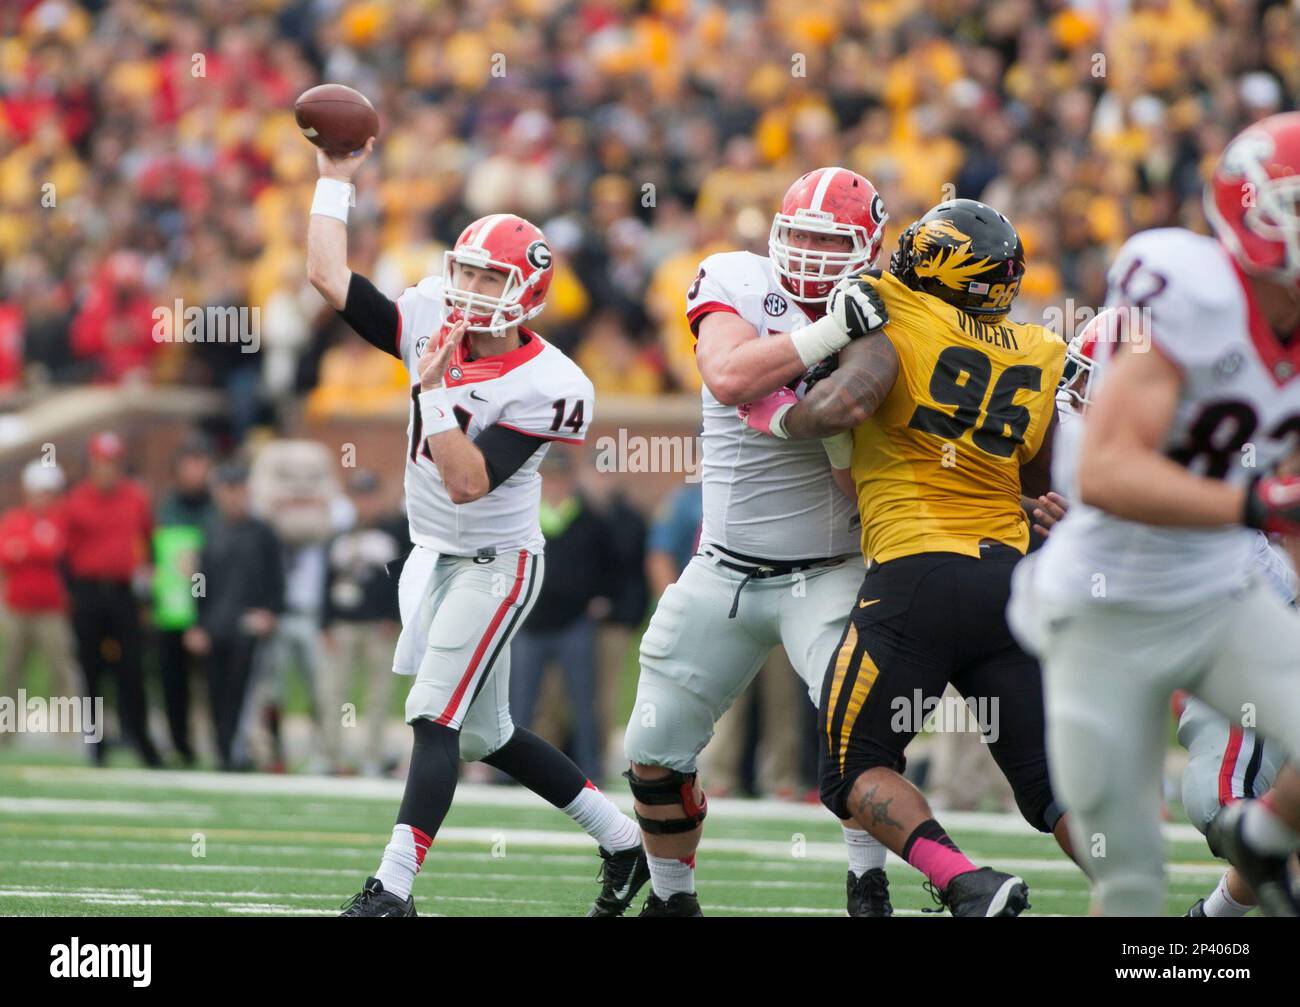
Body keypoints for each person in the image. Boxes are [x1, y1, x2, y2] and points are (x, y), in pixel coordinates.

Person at [306, 137, 648, 917]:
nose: (468, 289)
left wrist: (429, 391)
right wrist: (333, 182)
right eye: (464, 270)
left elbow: (467, 481)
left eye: (489, 277)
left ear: (528, 291)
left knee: (434, 714)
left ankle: (392, 889)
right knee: (488, 733)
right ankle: (623, 841)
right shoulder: (428, 310)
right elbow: (329, 278)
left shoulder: (553, 382)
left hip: (497, 561)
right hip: (434, 556)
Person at [744, 198, 1074, 916]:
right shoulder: (1041, 351)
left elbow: (846, 405)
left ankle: (964, 881)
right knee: (1050, 785)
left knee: (851, 767)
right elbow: (1037, 484)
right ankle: (1164, 898)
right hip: (1010, 581)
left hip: (918, 573)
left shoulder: (891, 309)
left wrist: (780, 414)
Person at [1008, 111, 1300, 916]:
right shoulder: (1188, 289)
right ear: (1252, 209)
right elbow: (1102, 471)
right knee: (1131, 880)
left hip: (1225, 589)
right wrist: (1257, 502)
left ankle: (1266, 841)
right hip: (1105, 603)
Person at [623, 167, 895, 917]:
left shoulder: (891, 318)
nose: (807, 252)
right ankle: (673, 899)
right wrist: (830, 334)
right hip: (724, 569)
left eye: (829, 240)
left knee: (857, 730)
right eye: (799, 233)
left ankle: (867, 881)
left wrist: (841, 417)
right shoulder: (739, 278)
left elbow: (859, 482)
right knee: (650, 748)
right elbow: (728, 374)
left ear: (867, 249)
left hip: (831, 568)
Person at [62, 431, 159, 767]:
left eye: (112, 463)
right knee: (91, 672)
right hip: (88, 593)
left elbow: (150, 543)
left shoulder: (135, 498)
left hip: (122, 593)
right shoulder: (75, 500)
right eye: (101, 463)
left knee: (131, 670)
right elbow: (65, 554)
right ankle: (96, 744)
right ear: (92, 464)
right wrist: (72, 597)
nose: (106, 470)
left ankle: (141, 740)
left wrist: (148, 582)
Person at [185, 462, 284, 771]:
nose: (233, 497)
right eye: (228, 491)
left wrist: (270, 612)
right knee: (214, 692)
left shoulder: (262, 532)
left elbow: (276, 578)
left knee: (243, 692)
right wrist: (197, 624)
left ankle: (239, 750)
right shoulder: (210, 531)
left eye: (238, 490)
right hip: (215, 625)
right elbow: (199, 582)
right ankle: (222, 750)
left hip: (248, 626)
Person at [320, 469, 406, 776]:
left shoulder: (395, 531)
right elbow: (326, 581)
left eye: (369, 495)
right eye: (359, 495)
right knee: (334, 690)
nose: (364, 502)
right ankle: (331, 755)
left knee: (379, 693)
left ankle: (372, 754)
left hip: (378, 624)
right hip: (344, 622)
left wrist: (394, 617)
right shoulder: (339, 535)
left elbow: (403, 579)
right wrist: (325, 623)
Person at [0, 460, 78, 737]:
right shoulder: (14, 519)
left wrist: (25, 548)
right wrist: (32, 547)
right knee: (11, 671)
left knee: (61, 669)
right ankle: (5, 733)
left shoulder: (59, 519)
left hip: (51, 609)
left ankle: (68, 733)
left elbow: (52, 551)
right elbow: (6, 555)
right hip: (17, 607)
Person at [152, 431, 216, 765]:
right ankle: (180, 743)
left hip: (208, 608)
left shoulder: (216, 509)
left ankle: (217, 743)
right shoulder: (166, 507)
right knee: (172, 683)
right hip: (172, 607)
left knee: (212, 684)